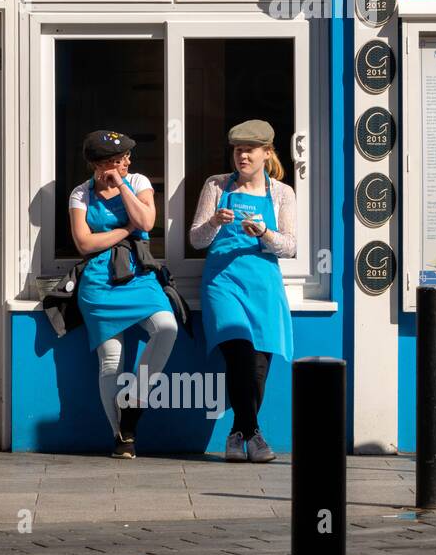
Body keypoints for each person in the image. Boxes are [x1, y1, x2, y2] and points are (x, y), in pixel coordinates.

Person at [188, 119, 296, 463]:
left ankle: (238, 435)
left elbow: (290, 247)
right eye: (238, 150)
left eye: (250, 150)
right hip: (223, 282)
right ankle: (255, 436)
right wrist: (214, 223)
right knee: (238, 352)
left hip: (263, 287)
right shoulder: (216, 186)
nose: (242, 156)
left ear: (267, 153)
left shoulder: (281, 193)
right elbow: (196, 239)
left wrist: (264, 233)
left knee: (258, 366)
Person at [69, 130, 178, 459]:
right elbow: (85, 244)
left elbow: (146, 219)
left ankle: (133, 402)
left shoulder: (140, 181)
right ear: (98, 165)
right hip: (99, 282)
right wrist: (126, 230)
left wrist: (122, 186)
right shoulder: (80, 194)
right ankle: (121, 436)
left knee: (166, 327)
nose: (127, 162)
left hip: (139, 275)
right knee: (111, 361)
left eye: (128, 157)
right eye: (119, 160)